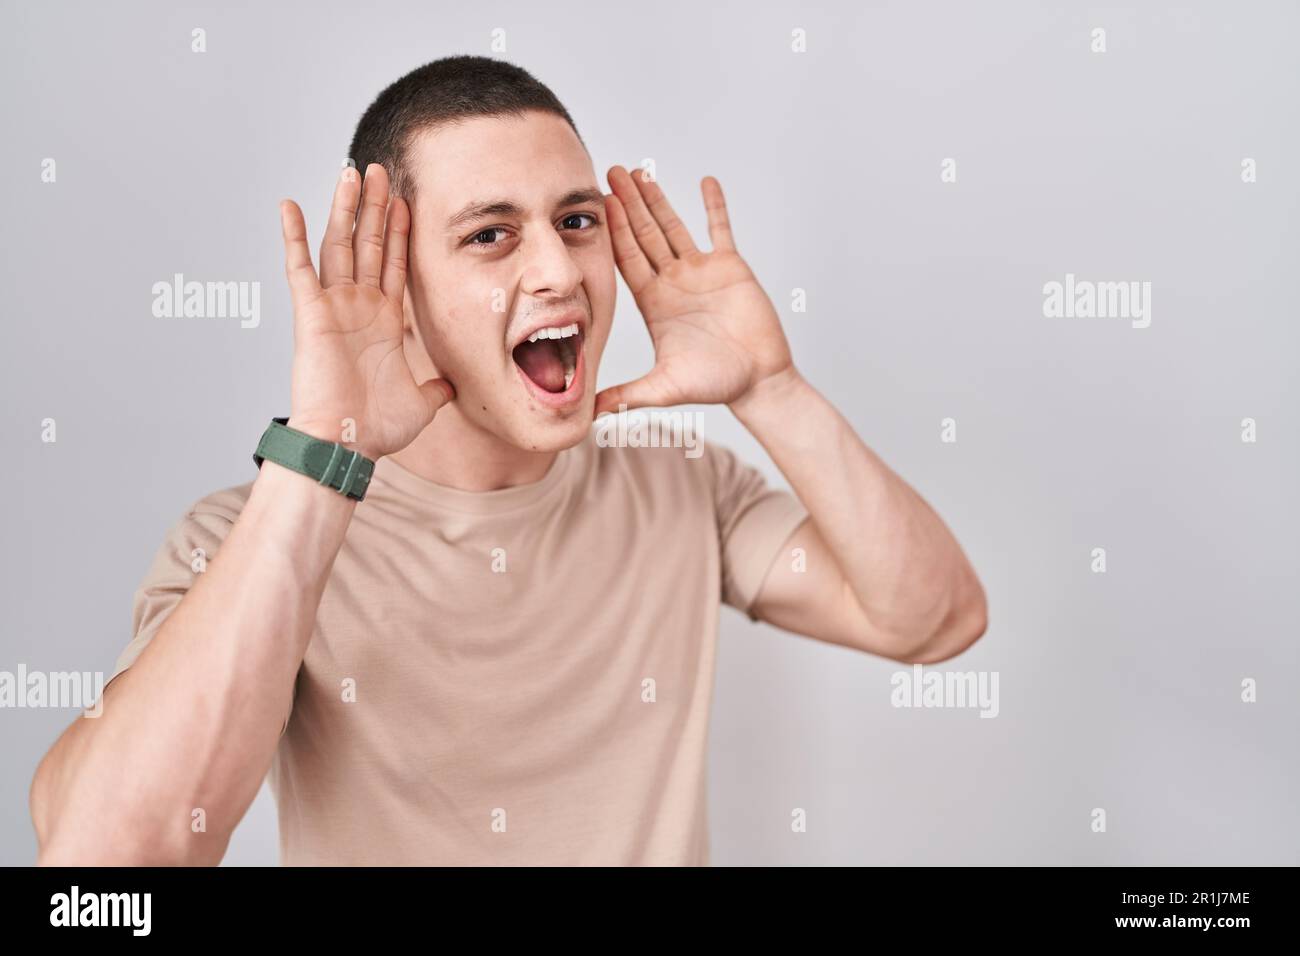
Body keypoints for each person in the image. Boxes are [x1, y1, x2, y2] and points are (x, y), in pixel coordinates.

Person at [30, 55, 987, 866]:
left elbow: (935, 620)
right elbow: (106, 859)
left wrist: (771, 390)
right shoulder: (246, 539)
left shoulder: (680, 483)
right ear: (394, 287)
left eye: (576, 222)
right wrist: (324, 454)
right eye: (491, 235)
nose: (560, 271)